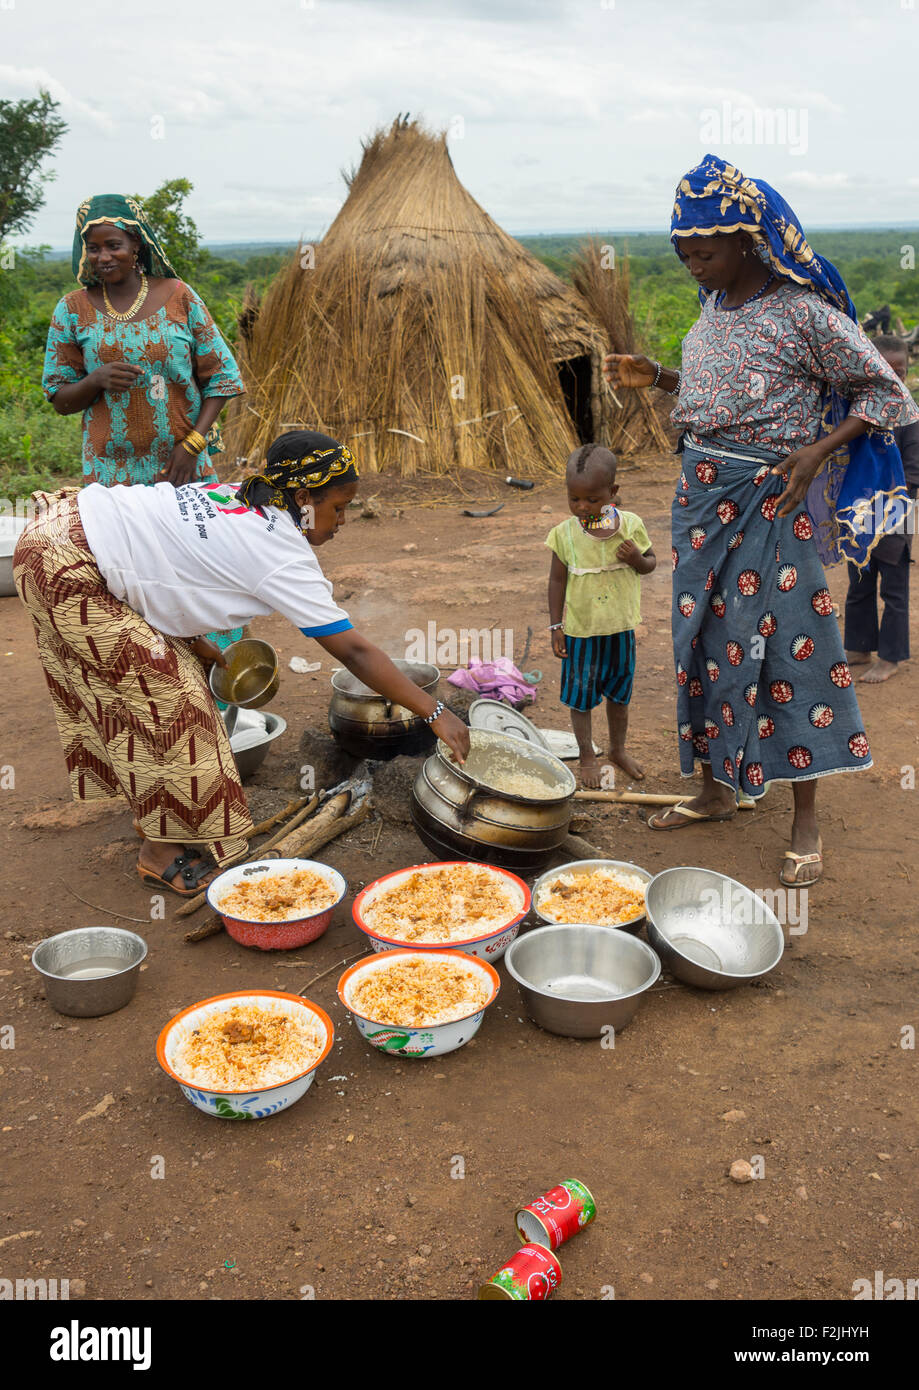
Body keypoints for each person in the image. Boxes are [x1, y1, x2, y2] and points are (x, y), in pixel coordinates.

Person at [604, 154, 918, 885]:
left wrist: (814, 453)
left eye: (703, 253)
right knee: (704, 641)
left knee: (789, 650)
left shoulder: (803, 312)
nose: (692, 266)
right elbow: (729, 395)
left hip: (769, 502)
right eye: (681, 255)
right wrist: (659, 378)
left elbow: (889, 397)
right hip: (700, 503)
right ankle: (715, 789)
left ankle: (804, 819)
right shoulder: (714, 308)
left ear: (748, 240)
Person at [13, 431, 469, 897]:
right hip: (68, 565)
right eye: (339, 506)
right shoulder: (281, 554)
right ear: (304, 497)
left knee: (155, 688)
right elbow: (353, 652)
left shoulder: (247, 496)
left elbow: (162, 563)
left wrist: (194, 641)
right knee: (179, 709)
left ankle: (158, 814)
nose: (344, 520)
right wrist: (435, 712)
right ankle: (158, 850)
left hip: (70, 530)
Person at [42, 194, 244, 489]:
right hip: (109, 478)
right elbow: (60, 399)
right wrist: (95, 380)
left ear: (136, 243)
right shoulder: (72, 309)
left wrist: (192, 446)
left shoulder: (180, 296)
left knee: (187, 535)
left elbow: (223, 378)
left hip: (181, 468)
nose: (104, 257)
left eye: (114, 246)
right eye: (94, 248)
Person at [546, 444, 656, 787]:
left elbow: (651, 563)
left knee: (619, 695)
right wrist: (556, 625)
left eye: (592, 500)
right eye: (574, 498)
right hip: (581, 633)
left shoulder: (631, 526)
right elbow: (556, 580)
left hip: (620, 630)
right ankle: (587, 755)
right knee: (581, 698)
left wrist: (637, 560)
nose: (582, 507)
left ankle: (617, 749)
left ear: (613, 492)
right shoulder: (565, 535)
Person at [844, 334, 919, 683]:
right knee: (859, 583)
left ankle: (890, 657)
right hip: (859, 514)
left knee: (893, 589)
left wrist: (892, 511)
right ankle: (858, 647)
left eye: (900, 373)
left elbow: (914, 472)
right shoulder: (855, 410)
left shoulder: (912, 417)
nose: (893, 379)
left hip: (896, 516)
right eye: (884, 370)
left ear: (908, 373)